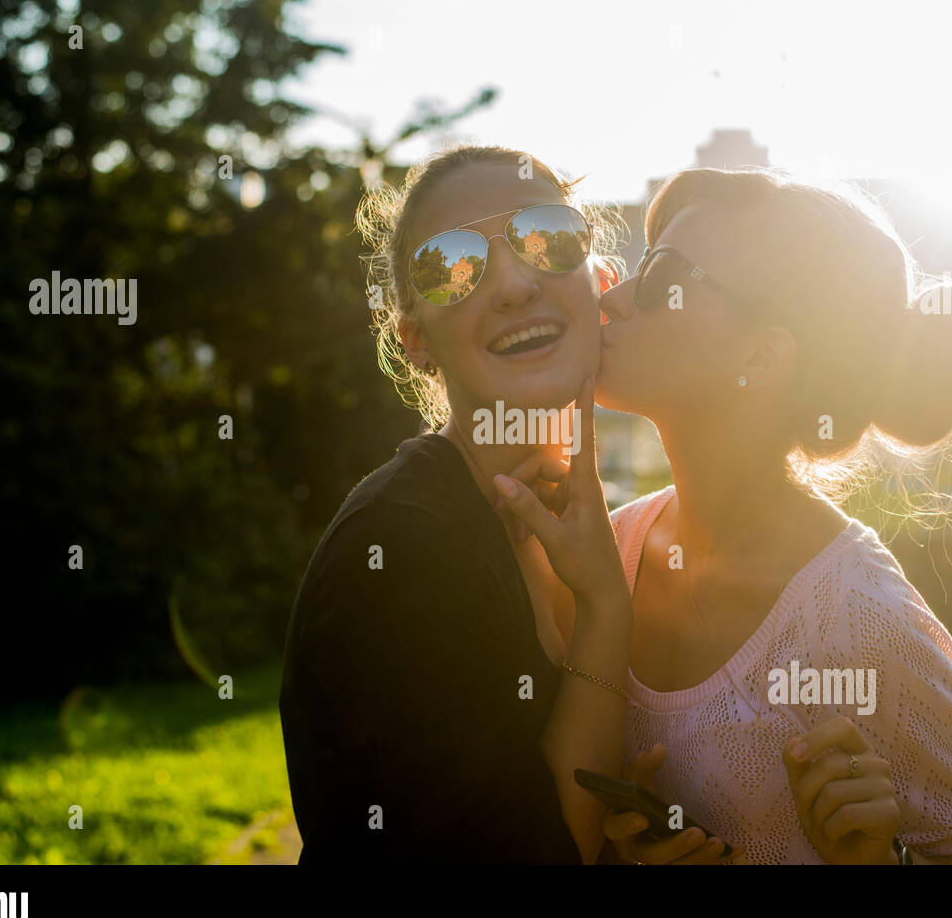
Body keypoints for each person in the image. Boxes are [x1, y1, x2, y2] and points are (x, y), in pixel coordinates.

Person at [501, 167, 952, 863]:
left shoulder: (866, 619)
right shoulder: (611, 551)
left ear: (762, 354)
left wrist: (879, 862)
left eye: (659, 279)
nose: (612, 299)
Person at [280, 145, 706, 864]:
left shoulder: (549, 518)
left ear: (595, 280)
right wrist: (604, 602)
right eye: (452, 267)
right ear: (416, 340)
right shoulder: (401, 547)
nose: (512, 284)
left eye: (547, 238)